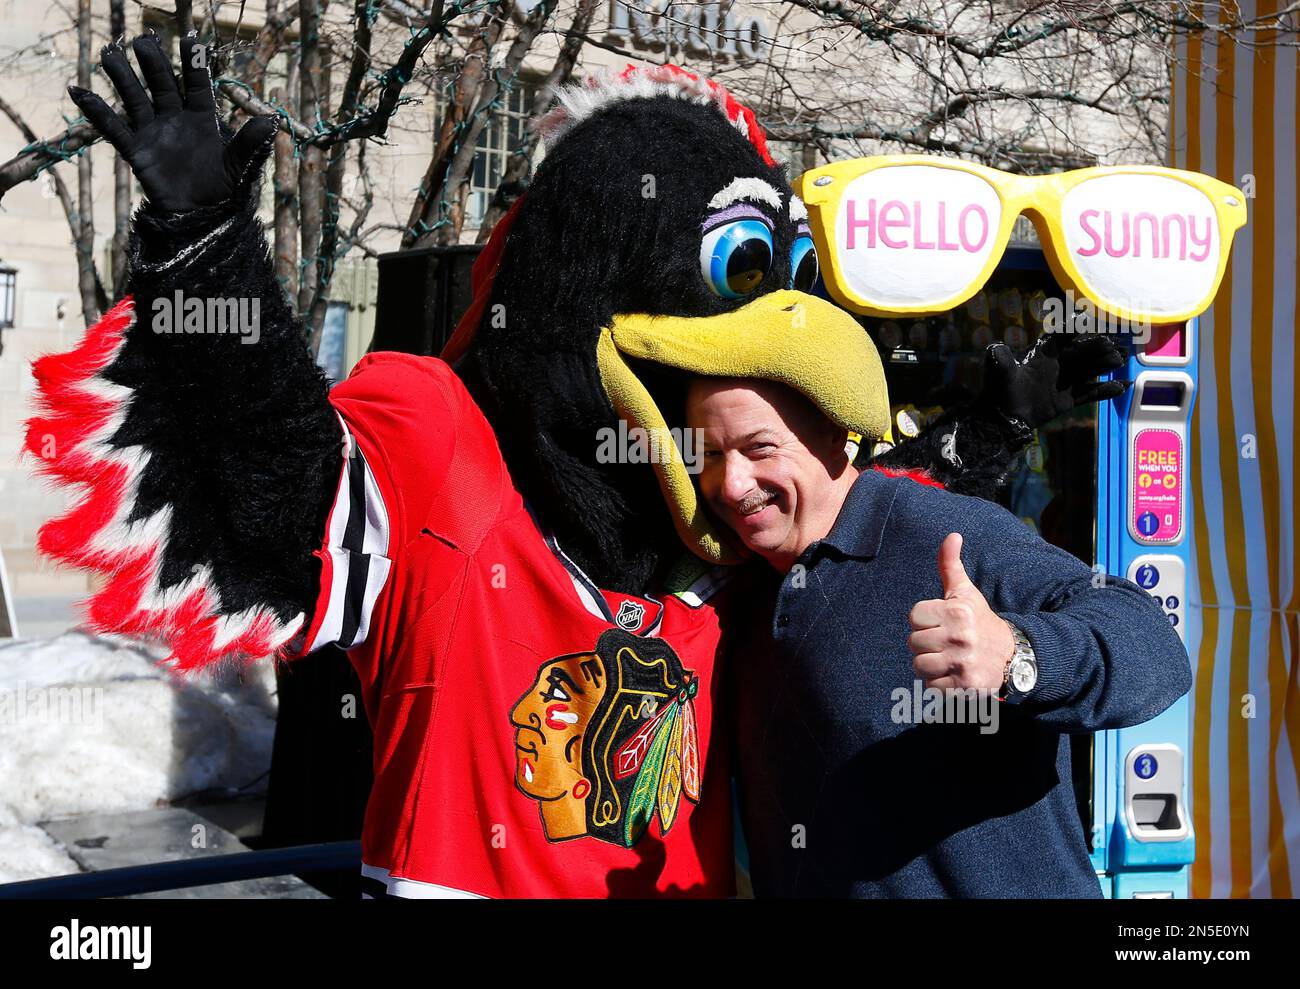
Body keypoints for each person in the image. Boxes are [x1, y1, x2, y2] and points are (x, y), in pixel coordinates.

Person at [687, 375, 1191, 897]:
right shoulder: (733, 581)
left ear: (836, 432)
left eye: (760, 448)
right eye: (710, 455)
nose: (731, 484)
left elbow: (1154, 645)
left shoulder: (945, 532)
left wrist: (1016, 655)